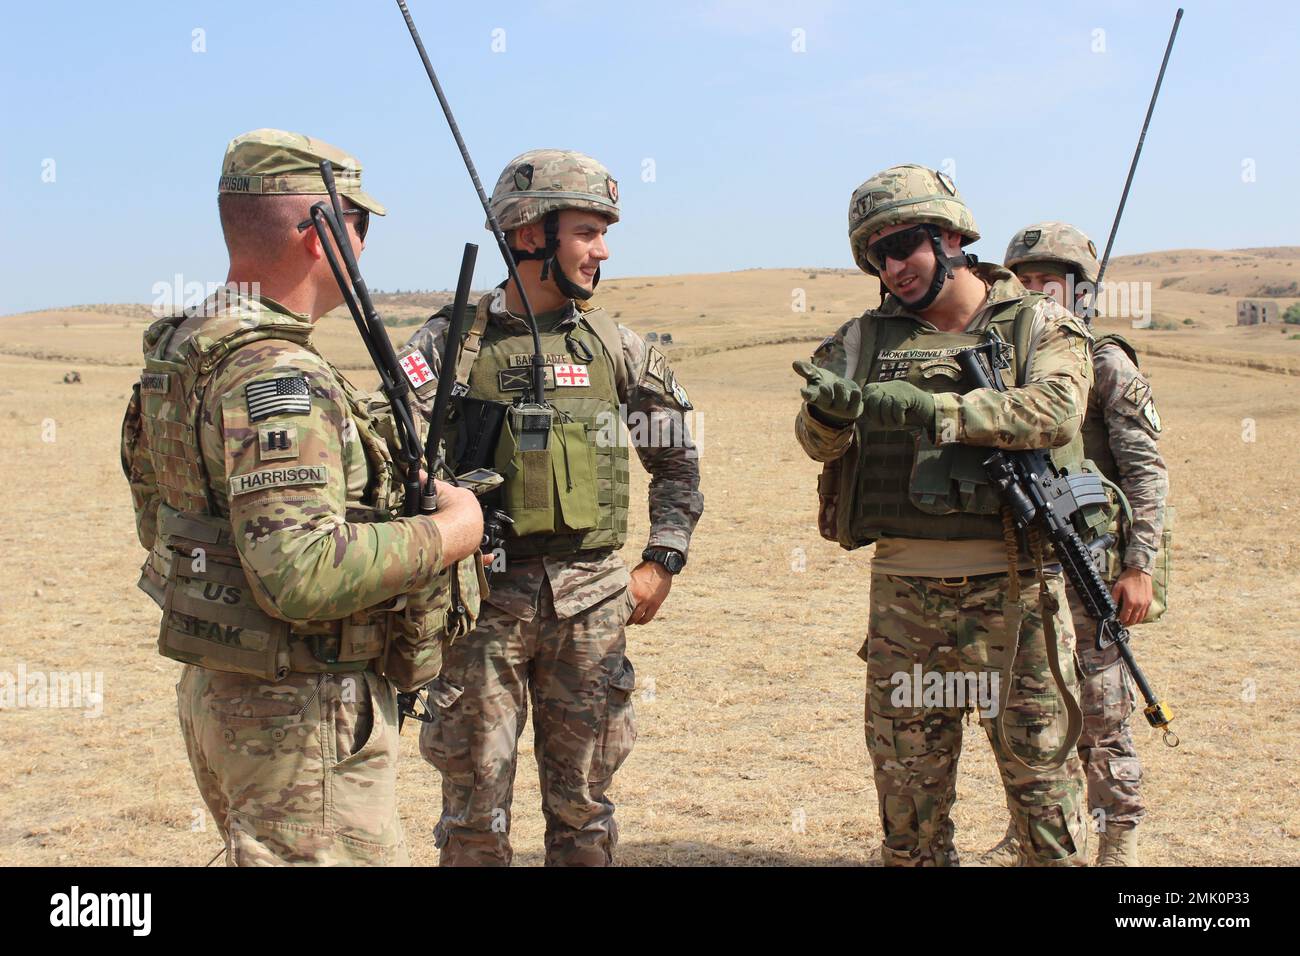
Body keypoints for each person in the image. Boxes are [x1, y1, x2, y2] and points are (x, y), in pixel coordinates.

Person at [119, 128, 484, 865]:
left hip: (230, 690)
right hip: (300, 709)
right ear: (320, 233)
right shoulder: (274, 375)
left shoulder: (181, 353)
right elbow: (299, 570)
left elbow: (161, 520)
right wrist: (452, 531)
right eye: (360, 223)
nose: (364, 246)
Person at [794, 164, 1101, 866]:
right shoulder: (862, 340)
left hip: (1016, 596)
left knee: (1044, 805)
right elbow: (815, 444)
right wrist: (827, 416)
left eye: (905, 245)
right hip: (903, 600)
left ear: (953, 235)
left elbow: (1057, 410)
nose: (893, 266)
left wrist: (942, 411)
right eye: (877, 255)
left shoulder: (1036, 325)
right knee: (909, 812)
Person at [404, 149, 703, 866]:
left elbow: (676, 458)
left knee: (585, 814)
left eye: (605, 233)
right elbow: (394, 460)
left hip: (594, 608)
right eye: (587, 232)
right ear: (530, 233)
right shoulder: (449, 345)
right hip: (480, 608)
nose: (602, 251)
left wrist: (662, 560)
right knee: (475, 818)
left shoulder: (616, 346)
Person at [980, 221, 1169, 866]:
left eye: (1048, 282)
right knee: (1018, 709)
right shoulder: (997, 363)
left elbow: (1145, 473)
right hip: (1015, 568)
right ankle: (1034, 830)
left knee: (1101, 710)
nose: (1034, 292)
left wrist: (1140, 565)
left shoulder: (1107, 363)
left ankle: (1118, 840)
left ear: (1079, 292)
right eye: (1023, 281)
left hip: (1090, 566)